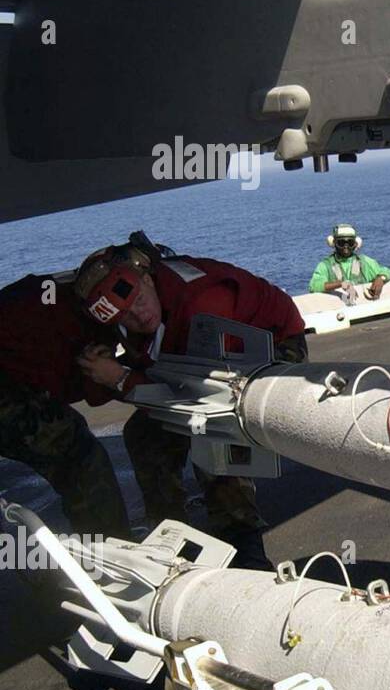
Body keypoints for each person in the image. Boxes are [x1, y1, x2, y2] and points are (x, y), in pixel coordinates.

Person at [73, 237, 308, 563]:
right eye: (125, 316)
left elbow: (209, 398)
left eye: (140, 299)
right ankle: (169, 535)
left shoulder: (202, 302)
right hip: (194, 367)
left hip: (271, 347)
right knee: (144, 433)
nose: (139, 316)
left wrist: (121, 378)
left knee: (213, 437)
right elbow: (159, 381)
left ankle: (245, 550)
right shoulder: (134, 312)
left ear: (147, 278)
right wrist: (106, 372)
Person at [0, 274, 130, 538]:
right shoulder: (52, 311)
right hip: (8, 389)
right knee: (80, 458)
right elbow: (94, 392)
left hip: (17, 383)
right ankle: (110, 555)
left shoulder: (50, 297)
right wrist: (113, 374)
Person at [308, 224, 390, 306]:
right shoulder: (325, 265)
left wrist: (380, 278)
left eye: (350, 242)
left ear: (356, 244)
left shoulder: (364, 262)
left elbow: (386, 271)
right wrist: (341, 284)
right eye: (341, 243)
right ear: (333, 243)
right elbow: (314, 286)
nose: (345, 246)